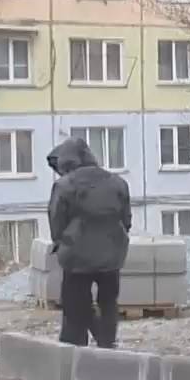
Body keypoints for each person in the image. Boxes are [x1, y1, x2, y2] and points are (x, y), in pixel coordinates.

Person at [46, 136, 133, 349]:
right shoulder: (118, 182)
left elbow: (56, 220)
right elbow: (127, 219)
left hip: (77, 256)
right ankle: (107, 342)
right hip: (112, 253)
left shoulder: (64, 186)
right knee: (108, 302)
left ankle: (75, 345)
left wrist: (62, 243)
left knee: (75, 303)